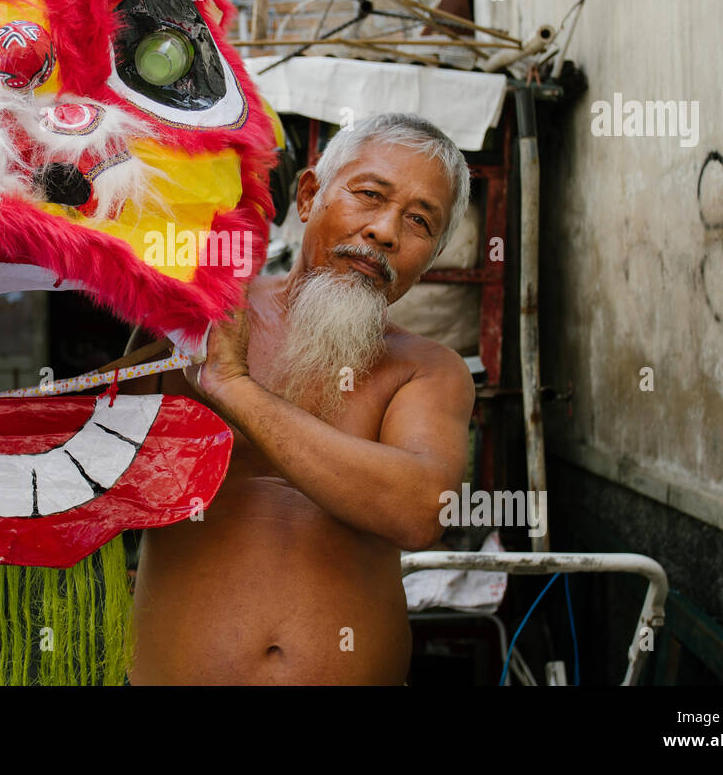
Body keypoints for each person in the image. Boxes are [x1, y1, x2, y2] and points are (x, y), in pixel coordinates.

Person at [126, 113, 477, 685]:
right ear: (310, 195)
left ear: (431, 254)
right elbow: (107, 470)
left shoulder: (427, 370)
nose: (385, 230)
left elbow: (421, 510)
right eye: (369, 195)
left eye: (419, 222)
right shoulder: (200, 319)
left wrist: (237, 391)